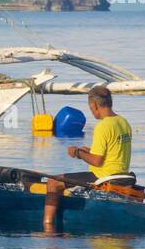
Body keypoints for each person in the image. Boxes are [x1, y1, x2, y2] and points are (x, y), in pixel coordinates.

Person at [43, 85, 133, 230]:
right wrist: (88, 151)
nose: (91, 111)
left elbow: (97, 161)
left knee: (53, 182)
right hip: (122, 175)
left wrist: (77, 153)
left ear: (94, 105)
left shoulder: (103, 126)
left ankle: (47, 227)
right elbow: (112, 152)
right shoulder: (123, 122)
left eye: (90, 108)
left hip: (103, 176)